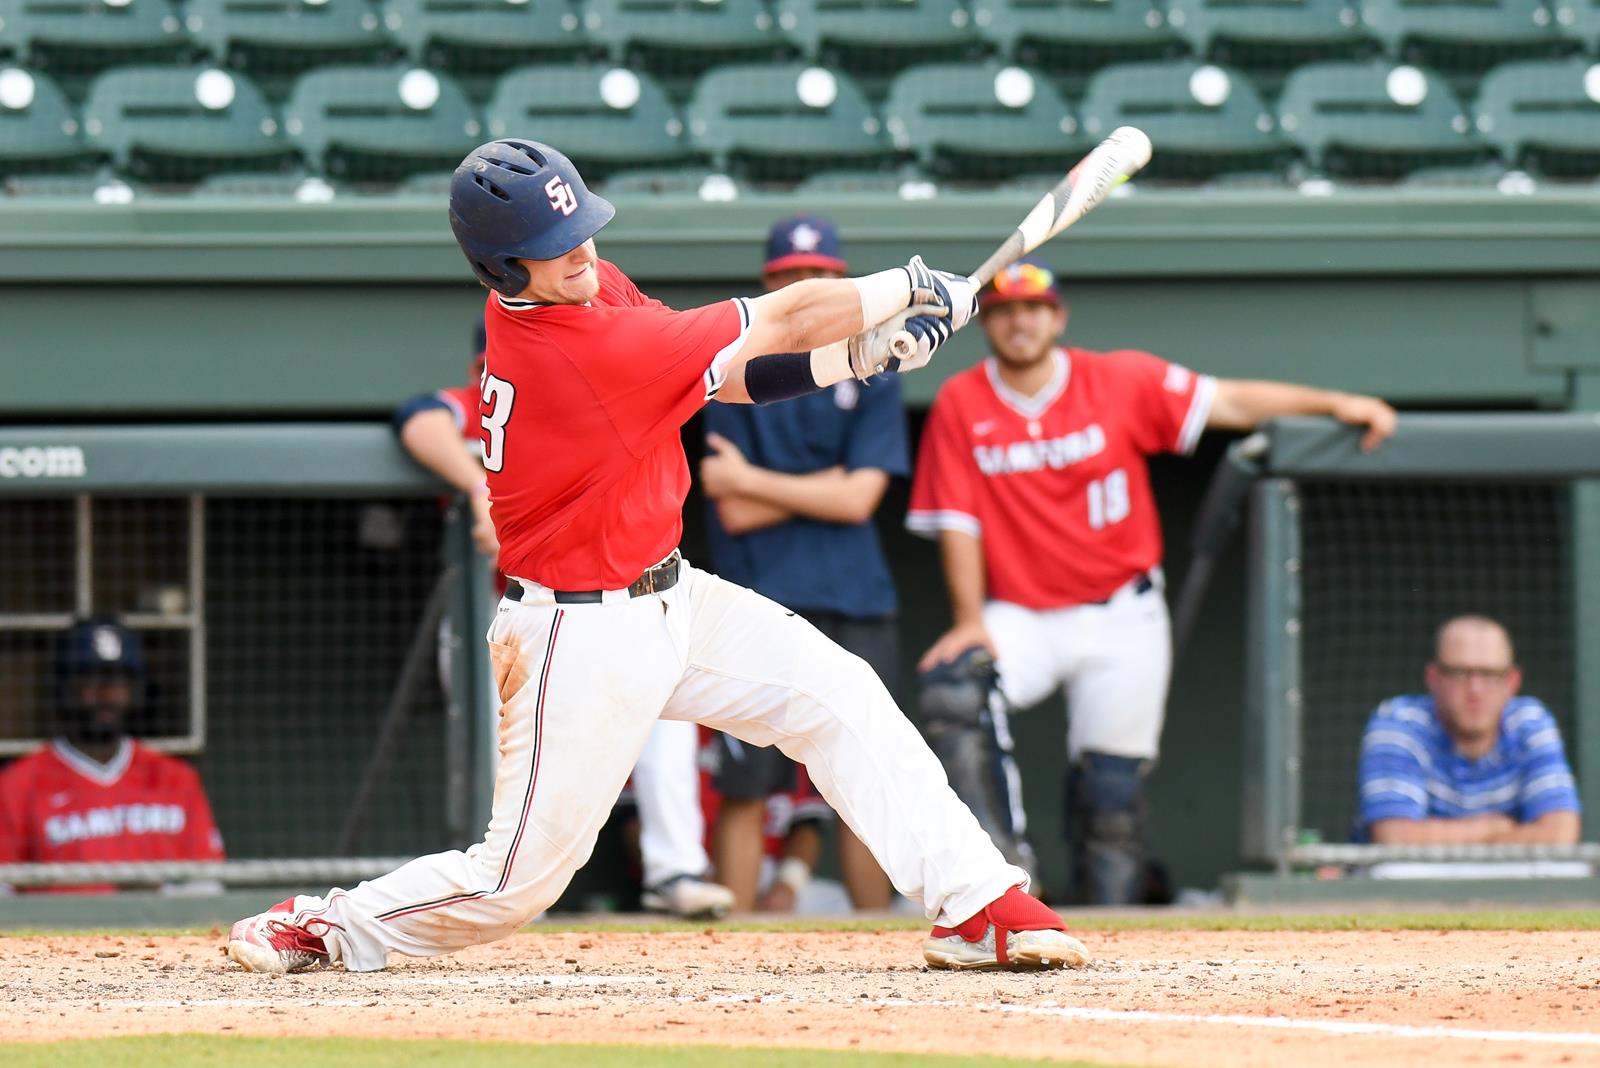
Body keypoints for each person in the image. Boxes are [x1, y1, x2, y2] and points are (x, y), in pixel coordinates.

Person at [225, 139, 1086, 974]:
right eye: (549, 249)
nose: (578, 255)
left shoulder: (584, 294)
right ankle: (327, 923)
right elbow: (781, 315)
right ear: (500, 271)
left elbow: (729, 374)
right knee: (517, 882)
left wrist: (861, 354)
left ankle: (977, 902)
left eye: (578, 231)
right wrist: (909, 285)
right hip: (578, 632)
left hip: (673, 596)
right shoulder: (577, 351)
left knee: (840, 693)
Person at [907, 256, 1398, 905]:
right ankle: (999, 877)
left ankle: (1108, 919)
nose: (1018, 322)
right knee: (955, 689)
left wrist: (1333, 401)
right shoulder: (962, 401)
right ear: (987, 324)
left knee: (1112, 794)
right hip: (1021, 612)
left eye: (1032, 309)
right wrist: (970, 620)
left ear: (1057, 317)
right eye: (1002, 311)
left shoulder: (1116, 379)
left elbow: (1229, 400)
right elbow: (957, 522)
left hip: (1120, 611)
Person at [392, 325, 735, 919]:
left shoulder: (578, 402)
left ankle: (675, 870)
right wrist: (479, 490)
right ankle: (501, 884)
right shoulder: (477, 406)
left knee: (665, 711)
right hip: (498, 623)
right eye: (485, 368)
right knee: (504, 752)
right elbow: (417, 418)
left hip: (596, 610)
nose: (493, 378)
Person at [700, 215, 898, 913]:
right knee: (745, 784)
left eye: (819, 275)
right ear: (769, 285)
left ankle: (880, 936)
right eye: (789, 276)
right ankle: (729, 948)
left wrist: (759, 481)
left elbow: (859, 499)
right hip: (757, 598)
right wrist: (819, 489)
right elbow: (729, 505)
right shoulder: (735, 365)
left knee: (867, 781)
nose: (806, 286)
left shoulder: (877, 363)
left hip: (856, 597)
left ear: (843, 283)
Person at [0, 617, 224, 893]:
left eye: (118, 680)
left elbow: (208, 886)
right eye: (91, 679)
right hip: (60, 935)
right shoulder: (17, 785)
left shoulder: (177, 779)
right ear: (64, 687)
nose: (107, 694)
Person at [1357, 615, 1581, 845]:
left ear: (1512, 682)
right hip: (1422, 881)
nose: (1475, 690)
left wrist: (1440, 837)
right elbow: (1395, 840)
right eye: (1460, 673)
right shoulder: (1399, 722)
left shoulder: (1530, 722)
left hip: (1508, 879)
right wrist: (1492, 828)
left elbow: (1561, 835)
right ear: (1433, 678)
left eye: (1490, 675)